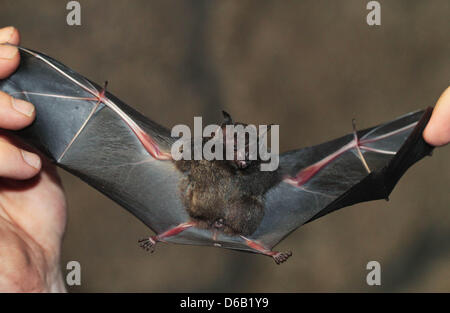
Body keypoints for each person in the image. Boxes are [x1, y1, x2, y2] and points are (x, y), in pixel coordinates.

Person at [0, 26, 448, 292]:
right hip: (188, 208)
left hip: (241, 218)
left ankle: (238, 239)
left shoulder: (270, 175)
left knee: (346, 157)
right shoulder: (193, 156)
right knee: (100, 106)